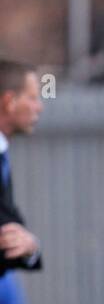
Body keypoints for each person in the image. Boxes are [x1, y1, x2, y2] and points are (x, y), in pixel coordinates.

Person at [0, 60, 44, 278]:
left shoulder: (3, 155)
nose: (39, 107)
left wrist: (30, 247)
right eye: (33, 98)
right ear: (9, 101)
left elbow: (10, 227)